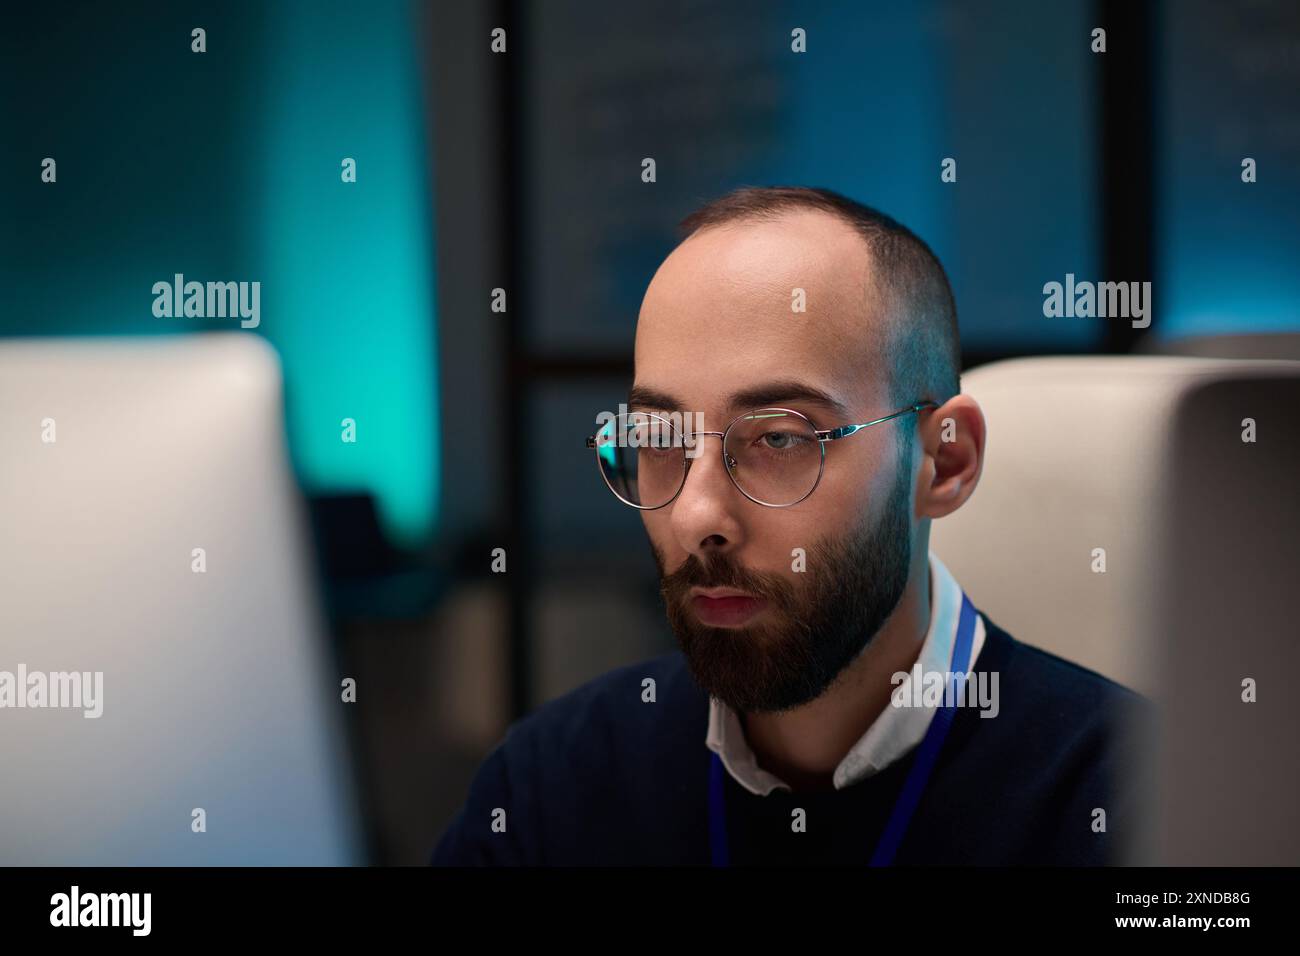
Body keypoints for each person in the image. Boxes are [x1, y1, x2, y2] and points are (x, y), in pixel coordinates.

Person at [431, 186, 1147, 866]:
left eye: (778, 438)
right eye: (658, 438)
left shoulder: (1138, 796)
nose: (696, 517)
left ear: (943, 462)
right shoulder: (553, 788)